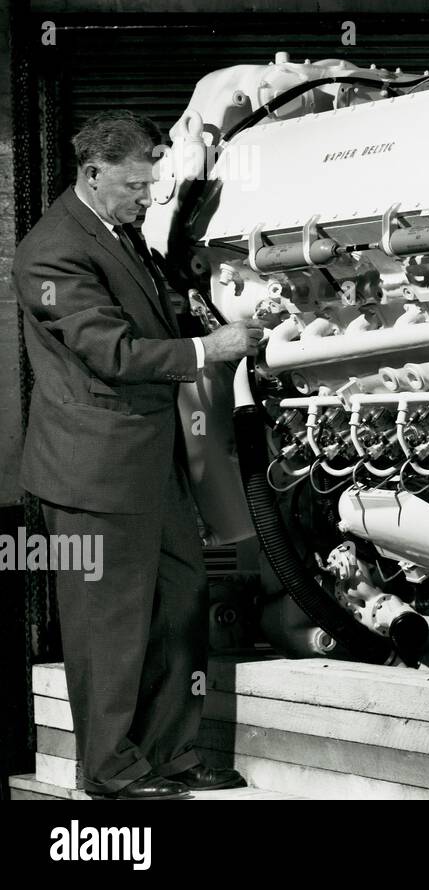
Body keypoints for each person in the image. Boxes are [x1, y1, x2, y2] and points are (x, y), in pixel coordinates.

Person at [14, 110, 262, 799]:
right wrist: (203, 352)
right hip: (94, 473)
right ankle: (112, 773)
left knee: (181, 608)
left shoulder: (118, 232)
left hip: (153, 463)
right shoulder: (52, 253)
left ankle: (173, 756)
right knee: (110, 631)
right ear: (92, 175)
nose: (147, 199)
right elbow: (111, 351)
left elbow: (149, 315)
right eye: (134, 186)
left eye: (154, 185)